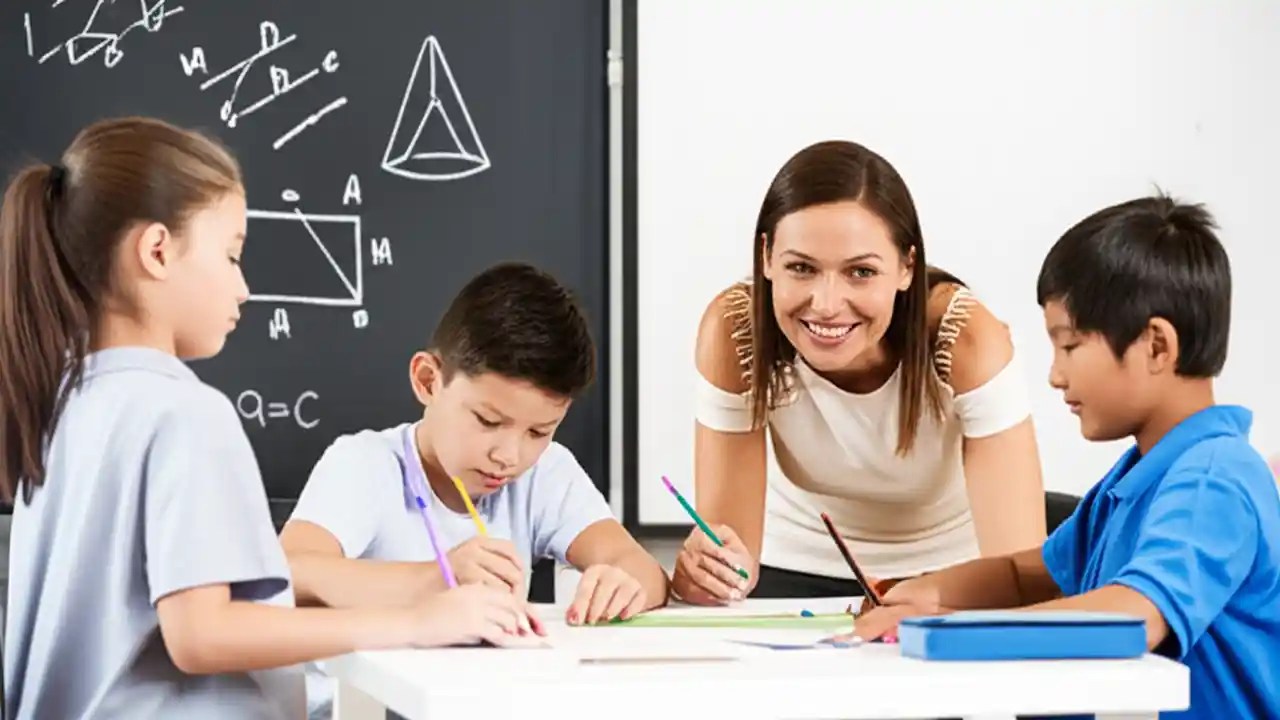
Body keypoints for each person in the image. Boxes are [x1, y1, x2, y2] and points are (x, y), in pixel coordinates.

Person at [0, 117, 537, 720]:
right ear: (156, 251)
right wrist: (416, 622)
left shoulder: (62, 402)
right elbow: (200, 634)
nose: (245, 288)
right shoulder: (183, 412)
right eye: (231, 255)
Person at [852, 195, 1280, 720]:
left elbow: (1135, 616)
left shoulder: (1214, 479)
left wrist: (945, 631)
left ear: (1156, 346)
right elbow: (1023, 575)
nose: (1055, 375)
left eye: (1070, 346)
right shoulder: (1134, 481)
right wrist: (928, 592)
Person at [279, 262, 669, 717]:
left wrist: (623, 584)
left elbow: (639, 568)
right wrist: (438, 577)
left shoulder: (545, 473)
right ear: (428, 380)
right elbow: (288, 572)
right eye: (488, 421)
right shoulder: (365, 464)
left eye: (540, 431)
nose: (510, 455)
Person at [672, 140, 1047, 604]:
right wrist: (709, 574)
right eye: (801, 268)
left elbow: (1022, 580)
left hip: (955, 573)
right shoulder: (734, 330)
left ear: (908, 267)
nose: (827, 305)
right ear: (767, 257)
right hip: (794, 565)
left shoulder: (967, 338)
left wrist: (927, 601)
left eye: (861, 273)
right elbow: (733, 559)